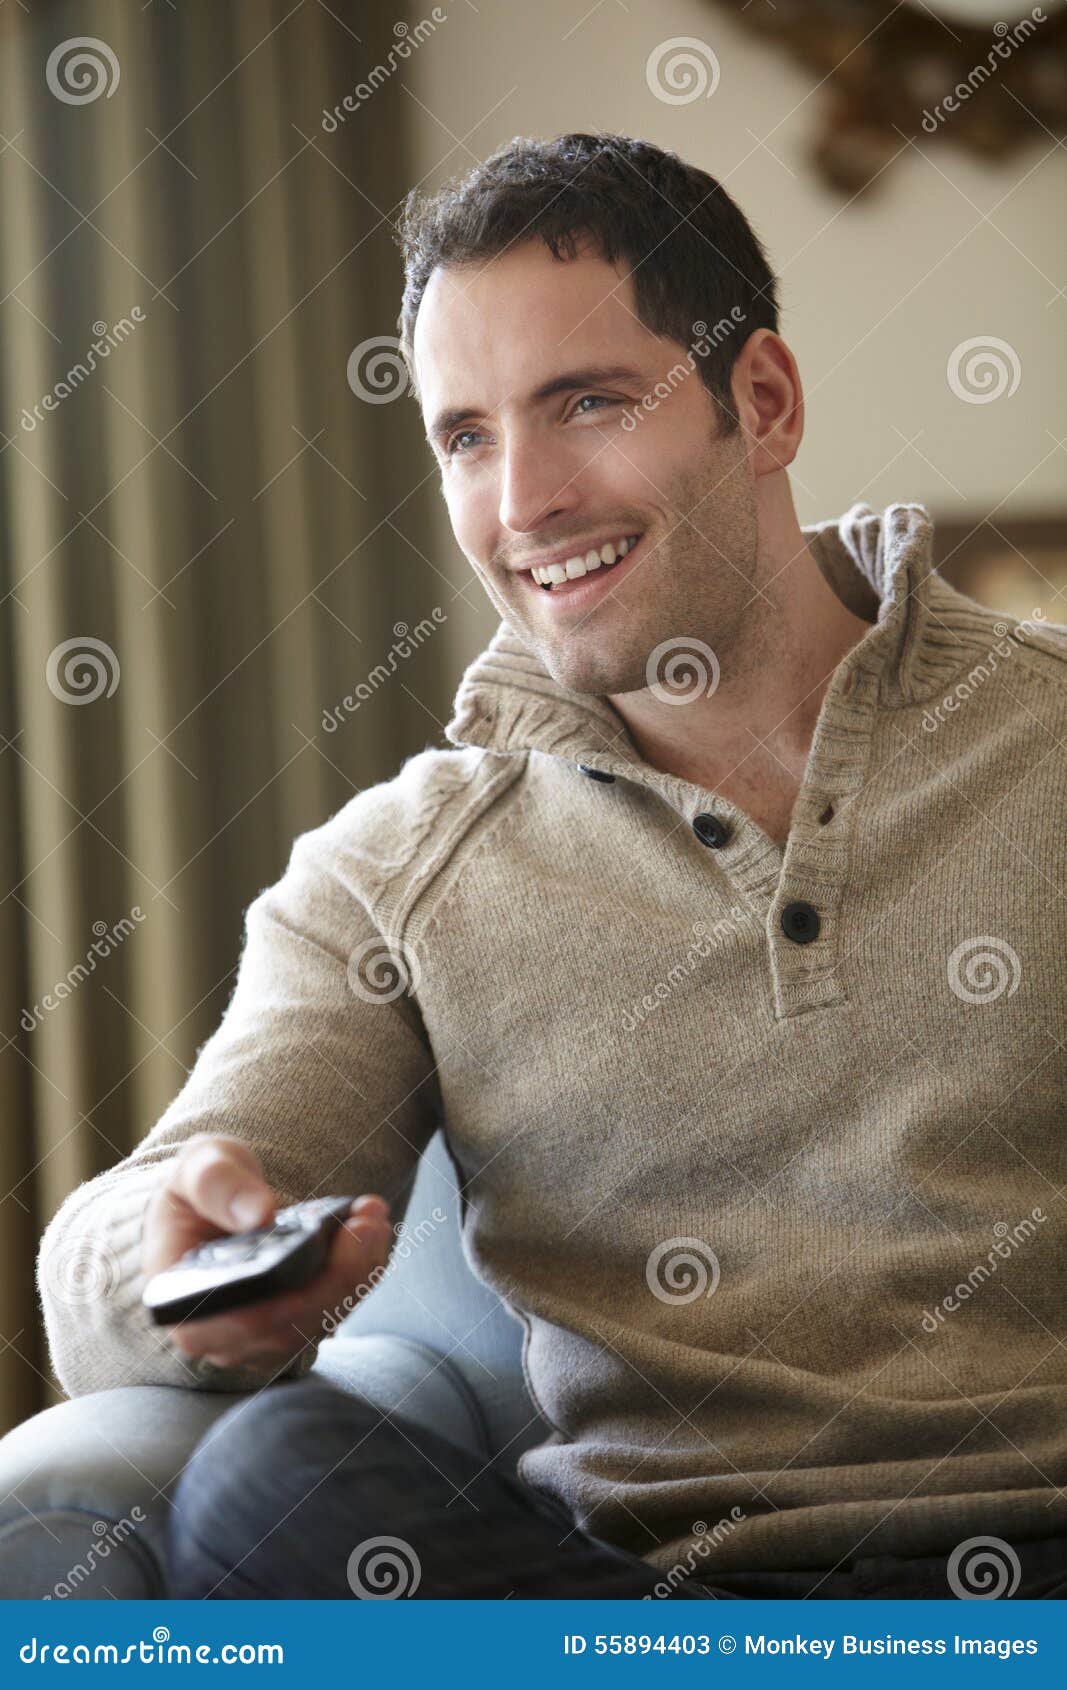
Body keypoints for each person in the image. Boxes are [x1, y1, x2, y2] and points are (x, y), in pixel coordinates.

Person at [37, 132, 1067, 1600]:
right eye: (466, 436)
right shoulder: (398, 866)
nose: (522, 501)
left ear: (759, 401)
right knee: (282, 1485)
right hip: (657, 1617)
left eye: (584, 403)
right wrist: (173, 1254)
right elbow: (122, 1246)